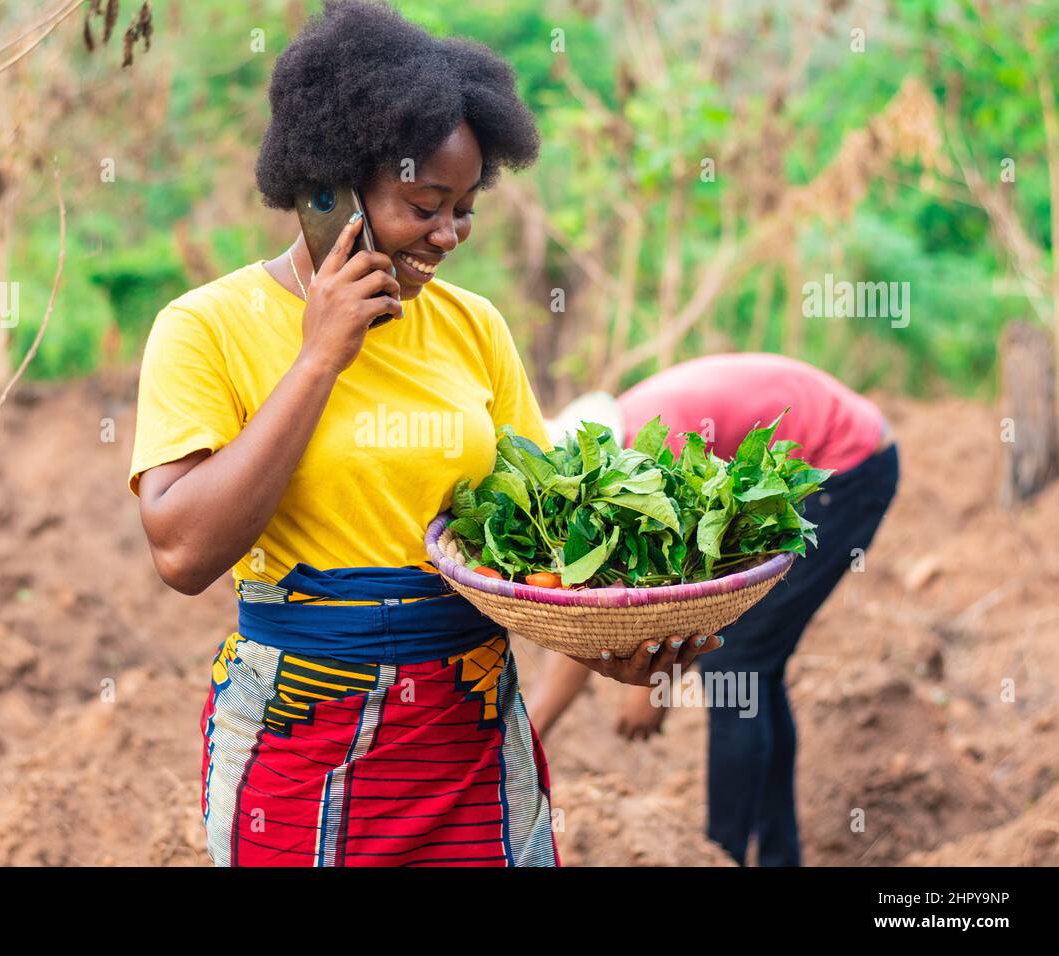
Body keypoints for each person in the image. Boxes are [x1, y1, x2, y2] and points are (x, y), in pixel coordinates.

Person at [128, 0, 717, 867]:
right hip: (302, 739)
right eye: (422, 205)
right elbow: (181, 554)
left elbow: (531, 541)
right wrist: (320, 357)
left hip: (469, 736)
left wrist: (608, 650)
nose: (447, 236)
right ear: (328, 190)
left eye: (465, 209)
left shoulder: (472, 327)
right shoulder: (205, 328)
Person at [526, 353, 900, 866]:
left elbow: (692, 583)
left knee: (737, 666)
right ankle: (777, 857)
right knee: (758, 673)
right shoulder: (626, 441)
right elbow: (592, 605)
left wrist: (657, 682)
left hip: (847, 466)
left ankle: (720, 854)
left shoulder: (656, 455)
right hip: (842, 449)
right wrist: (533, 732)